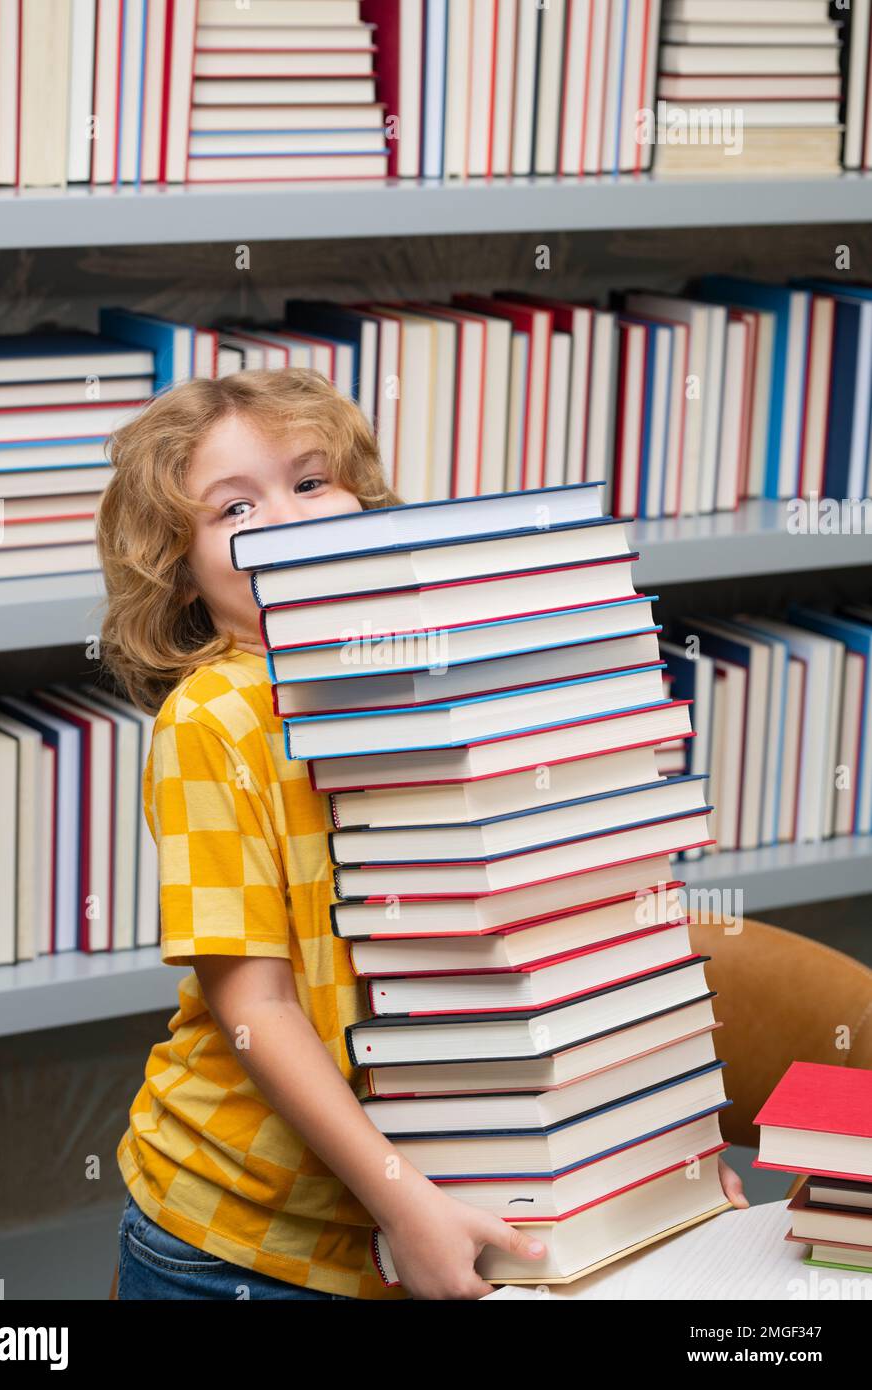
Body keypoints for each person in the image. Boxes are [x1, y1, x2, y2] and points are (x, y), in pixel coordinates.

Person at [96, 367, 748, 1302]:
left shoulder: (445, 671)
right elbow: (255, 1008)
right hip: (245, 1233)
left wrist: (651, 1168)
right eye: (234, 509)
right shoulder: (212, 719)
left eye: (311, 481)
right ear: (179, 568)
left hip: (444, 1201)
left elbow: (573, 937)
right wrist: (401, 1201)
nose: (288, 519)